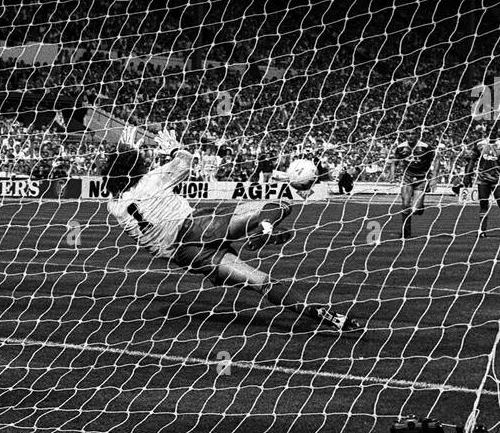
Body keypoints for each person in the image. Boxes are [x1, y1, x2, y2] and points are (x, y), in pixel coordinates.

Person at [105, 128, 360, 333]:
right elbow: (186, 161)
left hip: (188, 256)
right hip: (197, 227)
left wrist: (126, 153)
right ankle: (265, 225)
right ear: (134, 168)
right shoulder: (152, 180)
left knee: (261, 282)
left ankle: (329, 318)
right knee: (280, 204)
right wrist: (172, 147)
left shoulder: (114, 207)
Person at [392, 127, 437, 238]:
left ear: (417, 135)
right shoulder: (401, 147)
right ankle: (405, 233)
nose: (411, 136)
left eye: (413, 133)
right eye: (408, 133)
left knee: (415, 210)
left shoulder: (425, 147)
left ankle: (420, 207)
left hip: (422, 178)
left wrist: (434, 177)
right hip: (408, 177)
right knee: (405, 204)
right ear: (405, 135)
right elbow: (394, 161)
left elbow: (436, 159)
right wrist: (392, 174)